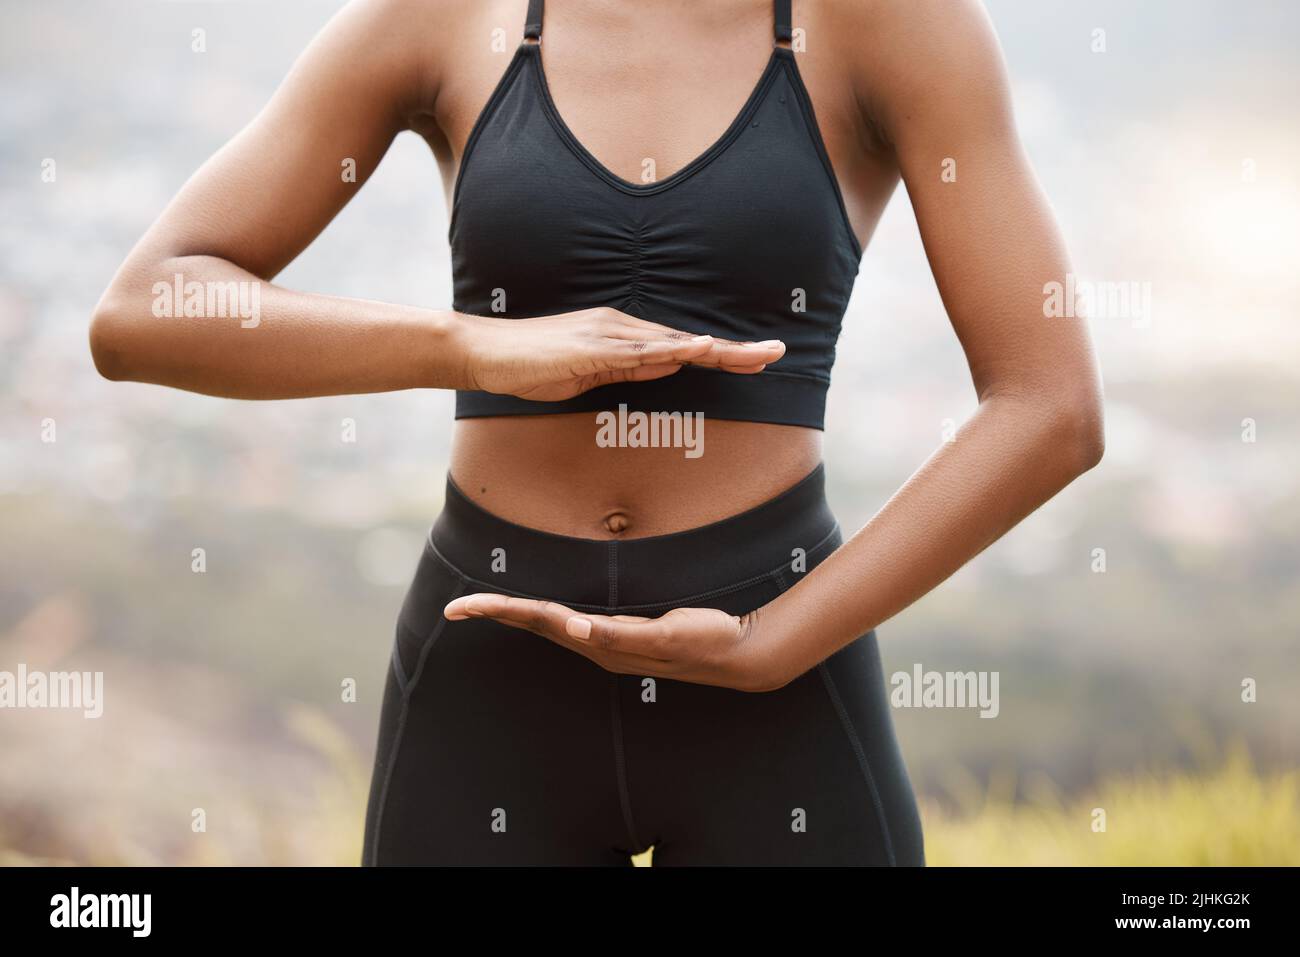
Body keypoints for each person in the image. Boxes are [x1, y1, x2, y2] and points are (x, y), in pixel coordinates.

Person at [89, 0, 1104, 865]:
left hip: (781, 669)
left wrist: (768, 643)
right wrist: (469, 349)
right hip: (487, 664)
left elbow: (1049, 406)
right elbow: (142, 313)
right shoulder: (446, 17)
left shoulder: (889, 23)